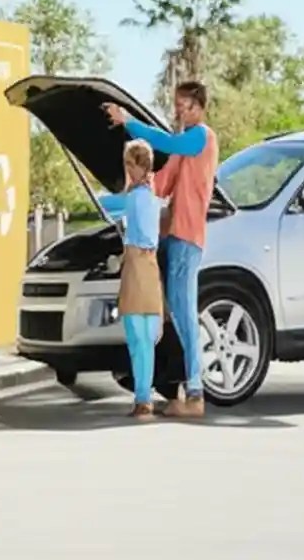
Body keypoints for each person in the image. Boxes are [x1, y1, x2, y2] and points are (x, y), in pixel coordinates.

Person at [104, 81, 218, 418]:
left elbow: (167, 142)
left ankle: (195, 392)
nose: (179, 111)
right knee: (172, 315)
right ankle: (178, 387)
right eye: (177, 105)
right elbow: (158, 184)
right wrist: (131, 179)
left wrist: (128, 121)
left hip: (187, 236)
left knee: (183, 312)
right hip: (174, 238)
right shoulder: (182, 153)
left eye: (184, 105)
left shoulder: (201, 138)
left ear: (199, 106)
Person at [118, 139, 165, 421]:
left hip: (136, 262)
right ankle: (143, 395)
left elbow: (136, 235)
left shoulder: (134, 198)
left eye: (129, 164)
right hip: (150, 265)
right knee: (146, 334)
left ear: (139, 166)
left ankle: (143, 397)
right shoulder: (152, 198)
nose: (127, 169)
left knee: (137, 335)